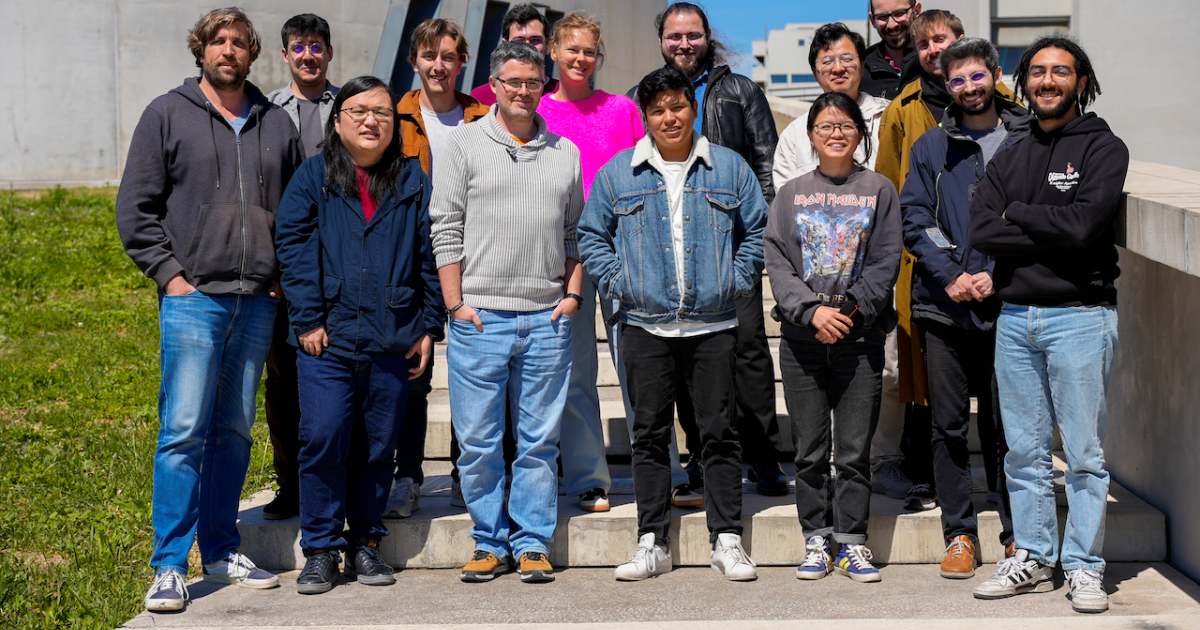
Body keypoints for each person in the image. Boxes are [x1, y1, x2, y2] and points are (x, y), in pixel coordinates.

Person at [115, 7, 302, 612]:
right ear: (201, 51)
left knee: (233, 432)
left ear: (252, 54)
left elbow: (298, 212)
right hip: (193, 301)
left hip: (256, 303)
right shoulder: (166, 114)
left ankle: (220, 549)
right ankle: (169, 565)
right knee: (183, 431)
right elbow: (135, 209)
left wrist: (280, 278)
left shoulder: (277, 123)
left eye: (239, 43)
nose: (228, 50)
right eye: (217, 42)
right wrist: (170, 277)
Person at [580, 67, 766, 582]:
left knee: (720, 433)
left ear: (694, 108)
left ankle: (727, 539)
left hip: (713, 324)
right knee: (648, 435)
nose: (670, 117)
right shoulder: (619, 174)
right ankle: (652, 540)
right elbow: (591, 236)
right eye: (658, 109)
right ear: (646, 116)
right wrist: (621, 282)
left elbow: (758, 230)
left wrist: (736, 277)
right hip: (644, 324)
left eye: (678, 106)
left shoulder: (728, 169)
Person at [971, 36, 1128, 614]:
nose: (1047, 81)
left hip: (1081, 318)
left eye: (1061, 72)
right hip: (1014, 318)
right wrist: (1045, 227)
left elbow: (1085, 227)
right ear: (1024, 82)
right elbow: (982, 229)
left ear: (1081, 82)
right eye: (1037, 72)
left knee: (1084, 452)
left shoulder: (1104, 148)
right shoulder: (1009, 154)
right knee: (1024, 451)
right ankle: (1034, 554)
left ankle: (1084, 566)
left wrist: (1019, 214)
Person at [275, 76, 442, 595]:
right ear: (338, 120)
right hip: (326, 338)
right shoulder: (314, 175)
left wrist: (427, 325)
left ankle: (366, 544)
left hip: (393, 336)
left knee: (377, 446)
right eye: (360, 111)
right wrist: (307, 318)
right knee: (323, 438)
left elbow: (429, 256)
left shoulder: (412, 180)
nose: (372, 121)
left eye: (384, 113)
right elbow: (293, 246)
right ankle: (321, 549)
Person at [432, 41, 582, 584]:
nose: (523, 91)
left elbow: (573, 233)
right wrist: (456, 304)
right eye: (512, 82)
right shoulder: (465, 144)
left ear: (545, 84)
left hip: (545, 317)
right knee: (477, 444)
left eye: (532, 82)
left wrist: (571, 297)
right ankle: (488, 540)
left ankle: (533, 541)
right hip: (479, 318)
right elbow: (444, 225)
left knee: (539, 443)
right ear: (493, 85)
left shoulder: (564, 152)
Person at [636, 0, 787, 497]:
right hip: (673, 249)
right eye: (674, 35)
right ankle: (701, 459)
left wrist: (758, 239)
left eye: (693, 34)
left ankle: (764, 458)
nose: (684, 43)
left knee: (748, 355)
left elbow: (766, 163)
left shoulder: (741, 90)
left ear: (708, 38)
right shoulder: (650, 93)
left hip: (733, 246)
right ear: (662, 40)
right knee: (684, 358)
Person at [901, 37, 1031, 579]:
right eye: (957, 80)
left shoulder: (1027, 138)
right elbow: (915, 216)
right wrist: (952, 275)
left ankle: (1015, 533)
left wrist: (994, 274)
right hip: (943, 308)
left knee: (1008, 426)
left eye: (977, 76)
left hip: (1010, 304)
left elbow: (1035, 215)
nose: (969, 88)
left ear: (995, 75)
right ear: (947, 86)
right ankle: (959, 535)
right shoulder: (932, 145)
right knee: (948, 427)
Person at [765, 91, 901, 584]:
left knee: (854, 450)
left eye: (846, 124)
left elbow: (887, 258)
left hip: (860, 336)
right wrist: (811, 311)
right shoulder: (792, 193)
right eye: (826, 126)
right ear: (811, 135)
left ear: (860, 133)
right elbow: (777, 261)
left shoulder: (879, 190)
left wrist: (848, 310)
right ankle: (817, 537)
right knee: (810, 449)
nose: (836, 132)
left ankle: (852, 542)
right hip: (803, 340)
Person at [537, 12, 648, 512]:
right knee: (574, 367)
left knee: (640, 364)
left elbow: (642, 176)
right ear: (553, 52)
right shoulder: (535, 110)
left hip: (624, 248)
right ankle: (587, 477)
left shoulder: (623, 110)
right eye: (572, 49)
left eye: (589, 51)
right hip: (564, 255)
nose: (581, 59)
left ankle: (659, 467)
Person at [872, 10, 983, 511]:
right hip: (925, 267)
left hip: (992, 271)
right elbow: (894, 193)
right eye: (924, 45)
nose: (934, 50)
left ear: (962, 42)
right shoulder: (903, 109)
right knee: (923, 380)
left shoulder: (1006, 109)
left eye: (942, 40)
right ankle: (935, 483)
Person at [386, 18, 490, 521]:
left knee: (472, 374)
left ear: (461, 61)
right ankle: (407, 476)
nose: (438, 65)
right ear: (415, 61)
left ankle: (465, 472)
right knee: (414, 373)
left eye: (448, 56)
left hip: (476, 259)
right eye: (429, 56)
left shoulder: (484, 117)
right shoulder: (393, 115)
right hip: (410, 259)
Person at [261, 12, 340, 522]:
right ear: (285, 55)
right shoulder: (266, 112)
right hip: (284, 272)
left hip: (343, 264)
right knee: (284, 382)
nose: (308, 54)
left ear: (328, 53)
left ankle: (345, 481)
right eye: (298, 46)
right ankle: (291, 484)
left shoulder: (351, 106)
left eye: (316, 45)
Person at [468, 4, 558, 107]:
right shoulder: (481, 97)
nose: (527, 47)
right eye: (519, 41)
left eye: (535, 40)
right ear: (504, 46)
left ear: (548, 46)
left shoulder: (564, 95)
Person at [860, 0, 922, 101]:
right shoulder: (860, 71)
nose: (891, 25)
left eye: (900, 14)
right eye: (882, 17)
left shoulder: (937, 63)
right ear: (872, 20)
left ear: (917, 11)